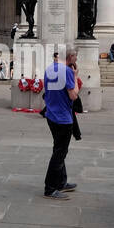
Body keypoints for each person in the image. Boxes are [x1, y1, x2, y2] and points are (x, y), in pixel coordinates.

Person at [42, 49, 78, 198]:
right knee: (59, 153)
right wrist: (75, 77)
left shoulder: (49, 68)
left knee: (59, 148)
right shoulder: (67, 72)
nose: (77, 59)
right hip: (63, 118)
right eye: (76, 56)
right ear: (70, 57)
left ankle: (61, 182)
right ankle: (50, 188)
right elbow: (73, 95)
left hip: (51, 114)